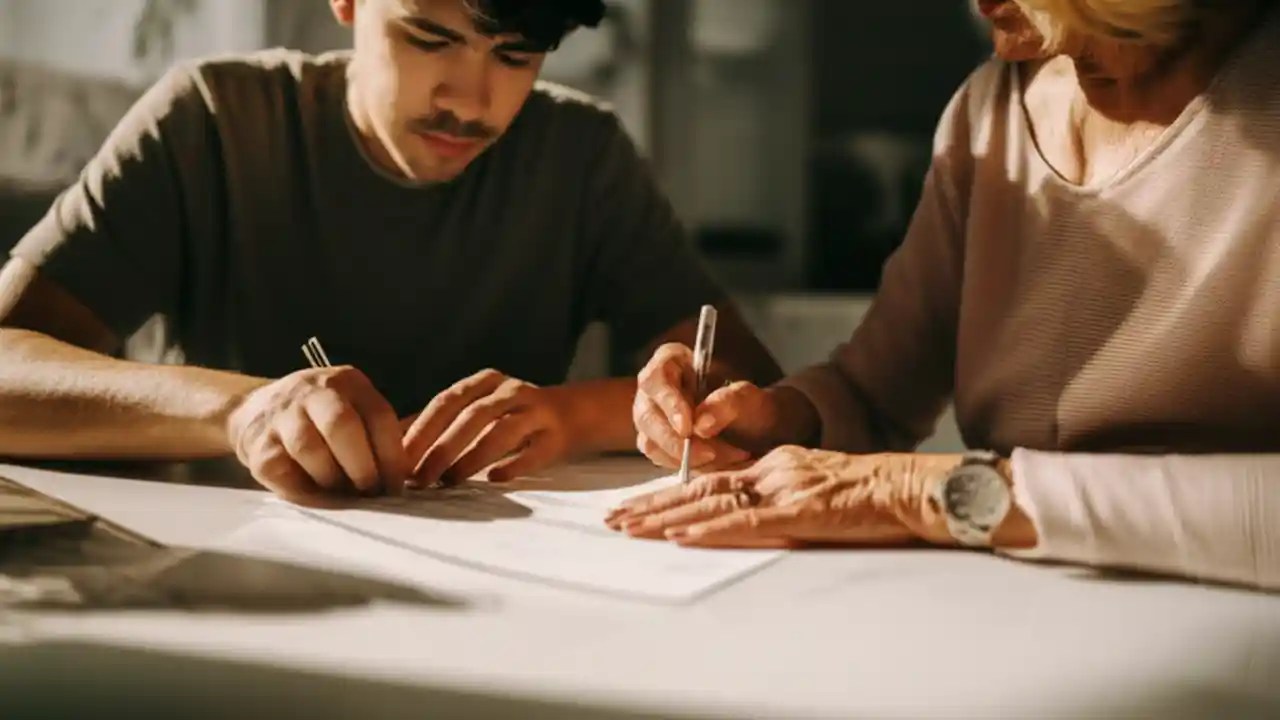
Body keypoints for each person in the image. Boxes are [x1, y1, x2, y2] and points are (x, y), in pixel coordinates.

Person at [0, 0, 781, 502]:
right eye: (429, 37)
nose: (470, 101)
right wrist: (243, 411)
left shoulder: (581, 156)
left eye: (514, 57)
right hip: (225, 577)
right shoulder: (210, 121)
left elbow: (757, 394)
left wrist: (573, 416)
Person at [618, 0, 1280, 591]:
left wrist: (929, 490)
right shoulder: (990, 109)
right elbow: (874, 395)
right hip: (1004, 610)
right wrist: (773, 420)